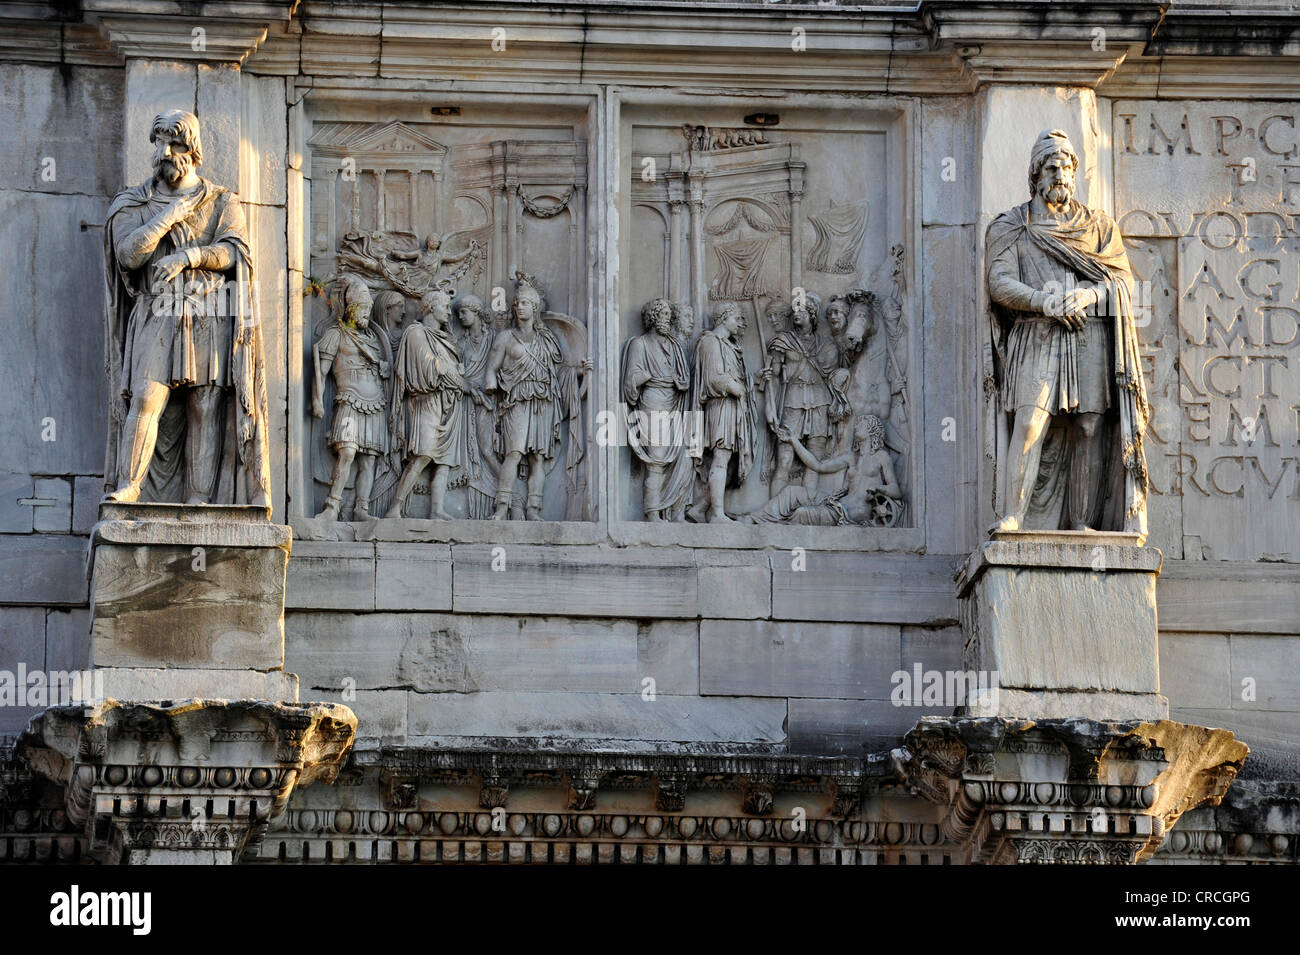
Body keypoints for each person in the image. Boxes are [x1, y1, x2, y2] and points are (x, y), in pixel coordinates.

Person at [103, 108, 269, 506]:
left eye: (174, 144)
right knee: (145, 398)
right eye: (158, 143)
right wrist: (168, 216)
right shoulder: (134, 202)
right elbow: (127, 254)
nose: (164, 152)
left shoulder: (220, 201)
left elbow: (234, 253)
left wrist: (189, 257)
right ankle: (129, 487)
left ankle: (198, 499)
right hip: (154, 310)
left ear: (192, 150)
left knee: (206, 405)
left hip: (206, 311)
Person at [986, 129, 1149, 535]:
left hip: (1089, 334)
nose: (1060, 175)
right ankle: (1013, 517)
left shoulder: (1098, 226)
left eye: (1067, 167)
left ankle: (1081, 525)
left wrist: (1087, 297)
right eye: (1052, 167)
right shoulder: (1012, 226)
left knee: (1090, 427)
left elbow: (1124, 283)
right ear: (1036, 175)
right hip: (1036, 331)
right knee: (1029, 423)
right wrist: (1045, 301)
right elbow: (998, 282)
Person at [484, 274, 590, 520]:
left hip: (543, 400)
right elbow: (492, 367)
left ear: (535, 308)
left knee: (538, 458)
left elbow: (559, 371)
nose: (520, 306)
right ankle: (502, 507)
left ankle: (533, 509)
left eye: (525, 303)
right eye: (517, 303)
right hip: (517, 399)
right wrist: (491, 385)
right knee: (514, 453)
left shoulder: (546, 339)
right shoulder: (506, 338)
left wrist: (580, 371)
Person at [311, 275, 391, 521]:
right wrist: (316, 398)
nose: (366, 313)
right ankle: (332, 507)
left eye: (368, 309)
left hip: (376, 403)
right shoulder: (336, 334)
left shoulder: (373, 339)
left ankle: (361, 509)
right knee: (347, 452)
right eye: (362, 308)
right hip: (349, 400)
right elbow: (321, 371)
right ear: (351, 308)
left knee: (368, 460)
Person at [384, 286, 467, 519]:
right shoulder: (415, 332)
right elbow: (427, 363)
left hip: (449, 403)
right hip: (426, 400)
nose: (449, 314)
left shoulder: (446, 338)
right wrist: (452, 371)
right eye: (445, 307)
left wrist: (455, 372)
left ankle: (437, 509)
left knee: (445, 461)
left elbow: (452, 367)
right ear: (430, 307)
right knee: (423, 454)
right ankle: (395, 508)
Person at [745, 414, 900, 526]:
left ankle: (773, 527)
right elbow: (818, 466)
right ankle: (752, 519)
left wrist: (880, 489)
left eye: (862, 423)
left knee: (802, 513)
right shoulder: (851, 457)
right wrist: (794, 441)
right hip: (836, 502)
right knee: (791, 492)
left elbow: (896, 490)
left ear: (871, 430)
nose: (857, 424)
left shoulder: (881, 457)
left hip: (853, 512)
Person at [621, 298, 692, 521]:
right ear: (652, 317)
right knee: (656, 460)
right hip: (652, 401)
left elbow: (683, 375)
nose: (667, 319)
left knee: (683, 457)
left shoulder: (674, 345)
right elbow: (631, 379)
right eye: (662, 315)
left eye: (669, 316)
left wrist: (680, 381)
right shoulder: (639, 344)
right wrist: (653, 375)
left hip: (674, 402)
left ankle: (672, 510)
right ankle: (652, 512)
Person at [688, 301, 756, 523]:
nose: (740, 324)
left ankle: (700, 508)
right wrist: (734, 386)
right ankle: (716, 514)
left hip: (733, 407)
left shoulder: (729, 345)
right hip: (721, 406)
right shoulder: (710, 342)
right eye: (736, 318)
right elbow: (713, 377)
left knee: (732, 464)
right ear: (724, 318)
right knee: (721, 458)